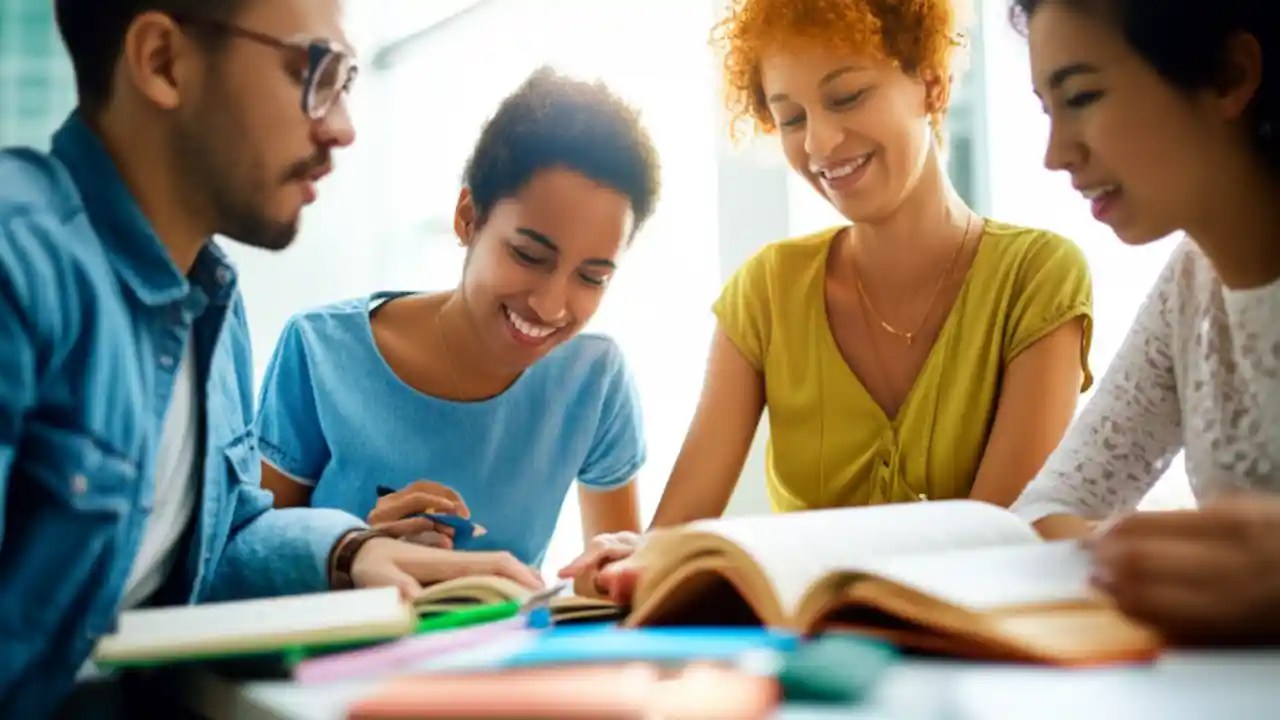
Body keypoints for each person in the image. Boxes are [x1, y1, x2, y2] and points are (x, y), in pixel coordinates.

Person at [0, 1, 539, 716]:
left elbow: (209, 547)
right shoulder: (19, 261)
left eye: (346, 80)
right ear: (163, 62)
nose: (342, 128)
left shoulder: (211, 299)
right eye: (315, 71)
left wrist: (348, 553)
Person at [560, 0, 1094, 598]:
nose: (820, 143)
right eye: (790, 118)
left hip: (973, 650)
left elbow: (997, 535)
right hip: (808, 655)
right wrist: (641, 555)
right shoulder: (765, 292)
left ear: (932, 85)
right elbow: (674, 533)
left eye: (846, 98)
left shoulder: (1037, 277)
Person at [254, 67, 659, 570]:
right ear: (468, 217)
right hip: (342, 643)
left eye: (592, 278)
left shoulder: (593, 380)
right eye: (529, 255)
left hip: (507, 644)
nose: (552, 306)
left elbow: (613, 587)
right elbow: (248, 567)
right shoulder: (320, 352)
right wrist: (353, 550)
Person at [1007, 0, 1280, 643]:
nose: (1056, 154)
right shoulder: (1191, 284)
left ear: (1229, 75)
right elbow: (1048, 509)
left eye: (1083, 96)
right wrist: (1159, 560)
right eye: (1049, 110)